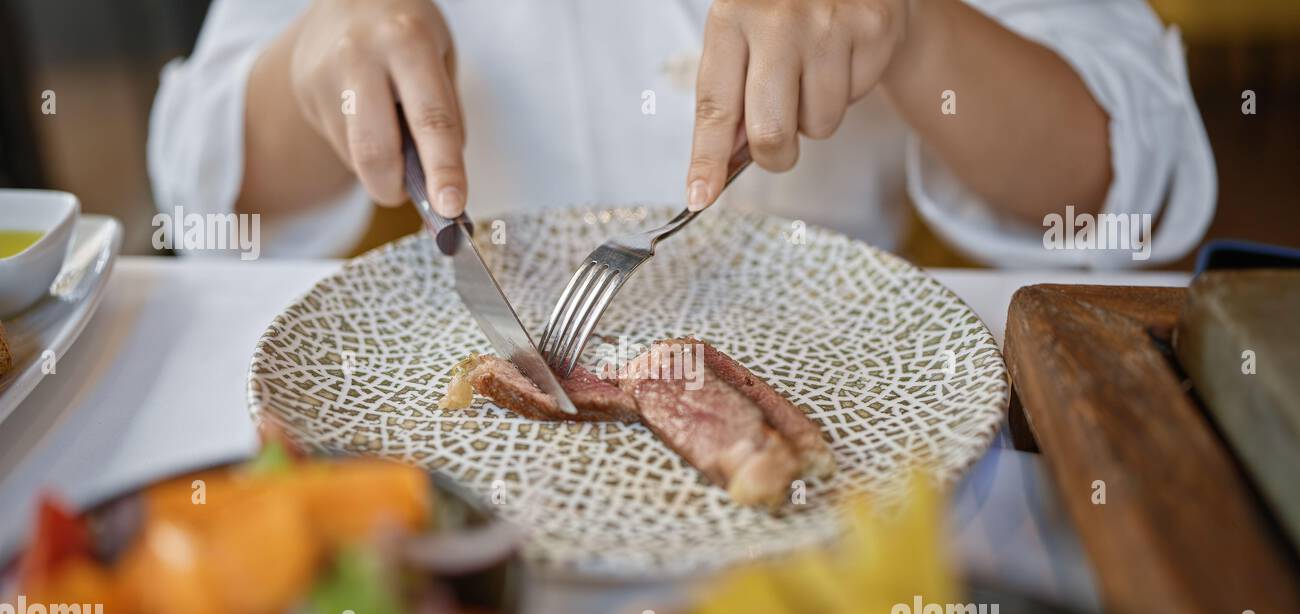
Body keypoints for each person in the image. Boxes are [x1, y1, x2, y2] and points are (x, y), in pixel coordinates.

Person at [148, 0, 1215, 266]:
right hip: (473, 481)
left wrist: (919, 30)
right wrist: (310, 64)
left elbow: (1135, 176)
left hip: (849, 459)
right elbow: (204, 194)